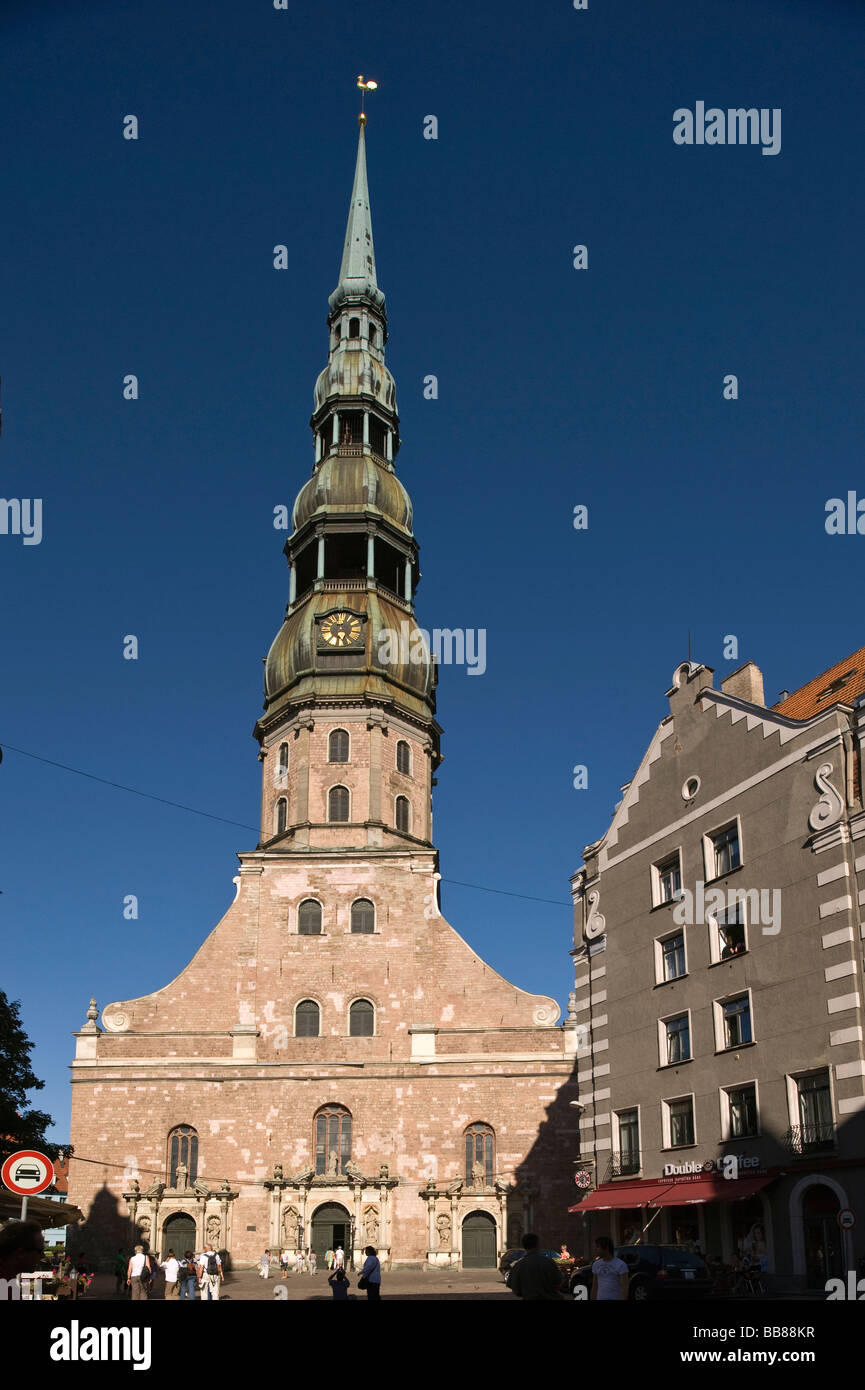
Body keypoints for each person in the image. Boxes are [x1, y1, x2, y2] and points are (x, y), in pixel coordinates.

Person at [508, 1233, 562, 1301]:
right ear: (537, 1245)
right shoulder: (549, 1262)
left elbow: (515, 1291)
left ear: (524, 1246)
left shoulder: (518, 1265)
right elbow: (559, 1284)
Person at [0, 1221, 45, 1287]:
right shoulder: (4, 1285)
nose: (42, 1256)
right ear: (21, 1253)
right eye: (40, 1251)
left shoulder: (7, 1278)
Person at [590, 1236, 629, 1302]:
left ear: (607, 1248)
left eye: (598, 1247)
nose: (595, 1249)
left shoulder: (621, 1265)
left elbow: (625, 1287)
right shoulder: (596, 1265)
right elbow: (595, 1286)